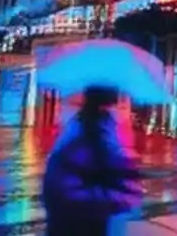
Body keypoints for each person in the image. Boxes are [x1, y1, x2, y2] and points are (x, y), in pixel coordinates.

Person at [42, 86, 143, 234]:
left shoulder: (75, 131)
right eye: (119, 104)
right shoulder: (93, 138)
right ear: (109, 105)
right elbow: (67, 192)